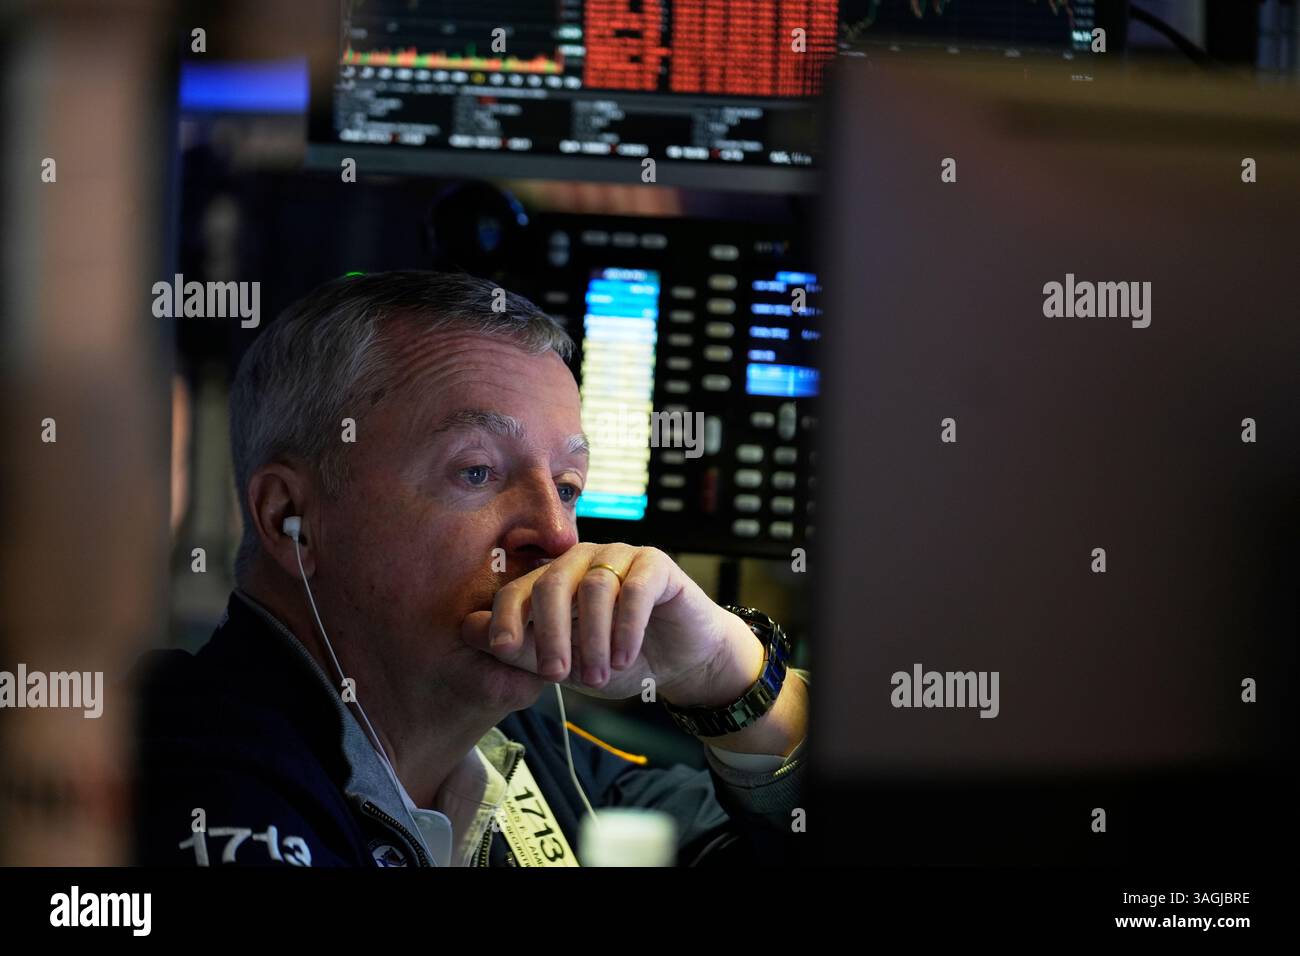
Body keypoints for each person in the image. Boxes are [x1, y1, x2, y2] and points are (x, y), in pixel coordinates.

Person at [134, 271, 810, 867]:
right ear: (292, 517)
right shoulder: (180, 776)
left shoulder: (532, 757)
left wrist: (727, 675)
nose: (554, 534)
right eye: (478, 471)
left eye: (568, 485)